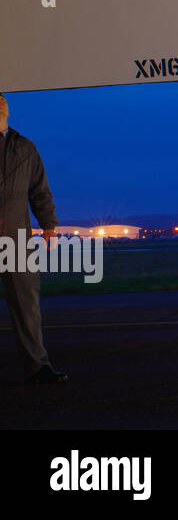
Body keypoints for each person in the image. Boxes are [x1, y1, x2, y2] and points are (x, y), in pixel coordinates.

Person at [0, 94, 67, 383]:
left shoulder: (25, 148)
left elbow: (39, 189)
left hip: (16, 238)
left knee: (26, 304)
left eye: (2, 99)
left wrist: (49, 224)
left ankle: (37, 367)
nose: (0, 102)